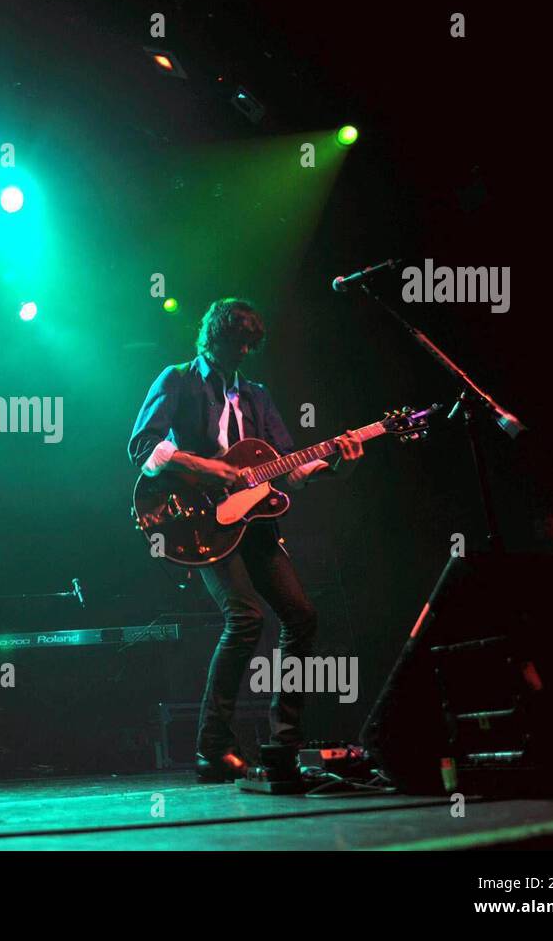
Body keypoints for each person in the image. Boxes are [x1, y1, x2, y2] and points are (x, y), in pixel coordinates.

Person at [128, 298, 363, 781]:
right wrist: (201, 465)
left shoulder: (255, 396)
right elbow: (142, 446)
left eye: (249, 347)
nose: (243, 355)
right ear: (213, 338)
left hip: (254, 522)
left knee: (301, 616)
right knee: (246, 617)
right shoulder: (177, 379)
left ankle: (284, 741)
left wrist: (336, 461)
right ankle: (211, 747)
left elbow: (291, 468)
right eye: (236, 344)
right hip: (198, 521)